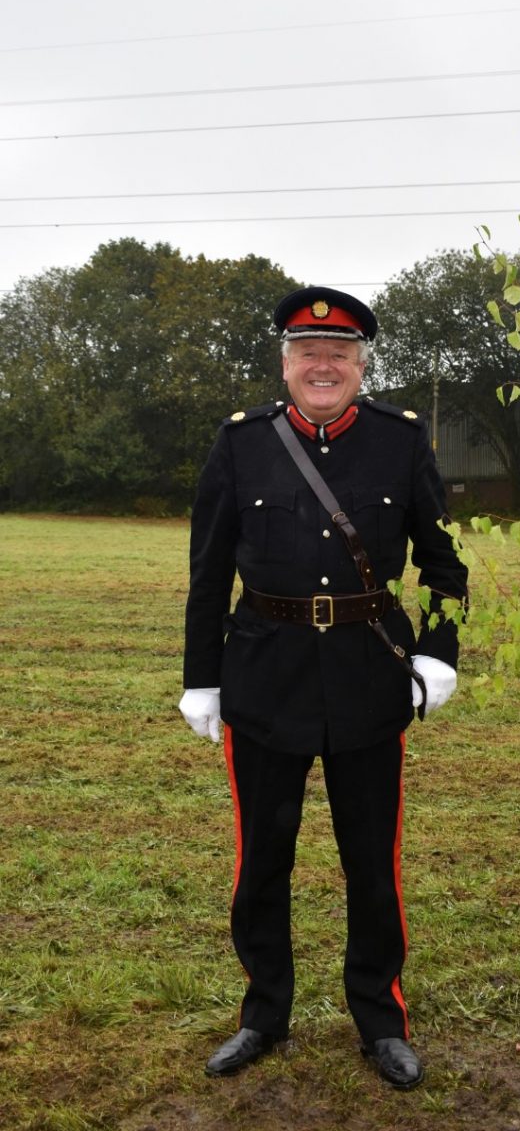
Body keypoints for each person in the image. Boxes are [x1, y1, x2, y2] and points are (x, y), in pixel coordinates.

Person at [179, 286, 467, 1089]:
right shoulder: (241, 445)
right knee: (261, 862)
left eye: (339, 353)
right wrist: (202, 678)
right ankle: (263, 1015)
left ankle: (381, 1019)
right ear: (286, 363)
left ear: (361, 365)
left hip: (369, 680)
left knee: (372, 864)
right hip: (263, 681)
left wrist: (437, 656)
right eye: (309, 353)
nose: (323, 365)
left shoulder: (399, 443)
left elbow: (445, 567)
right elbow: (207, 575)